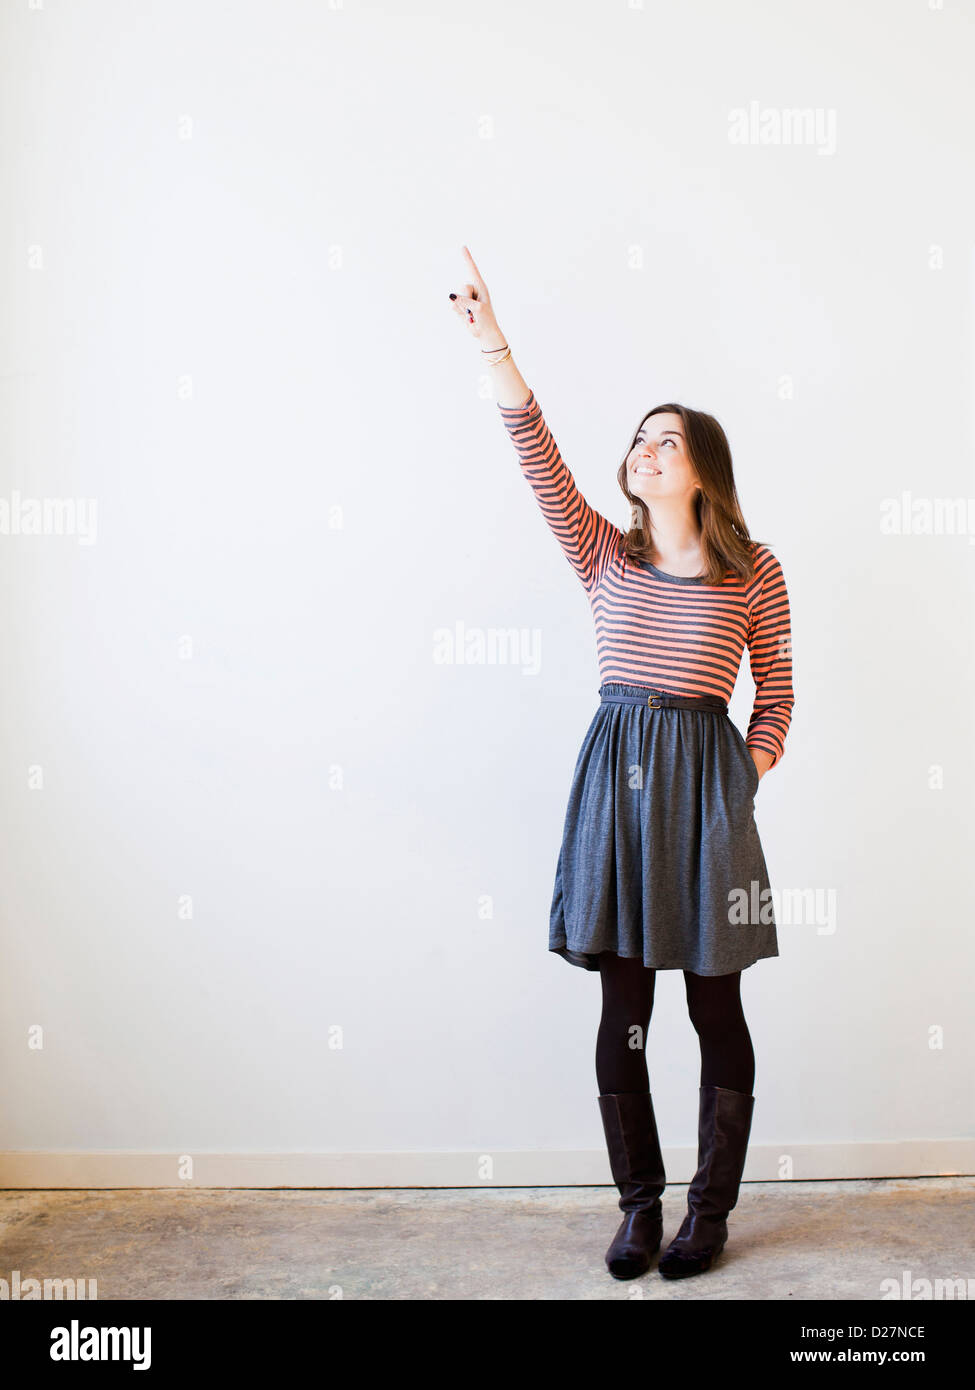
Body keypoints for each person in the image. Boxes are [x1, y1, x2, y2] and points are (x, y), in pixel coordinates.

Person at [447, 246, 795, 1281]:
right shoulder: (608, 553)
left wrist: (748, 774)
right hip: (619, 794)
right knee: (626, 1009)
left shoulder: (753, 570)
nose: (644, 449)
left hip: (710, 801)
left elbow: (775, 691)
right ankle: (639, 1209)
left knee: (716, 1005)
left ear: (704, 467)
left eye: (667, 439)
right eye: (638, 439)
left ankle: (711, 1212)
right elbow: (537, 453)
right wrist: (492, 343)